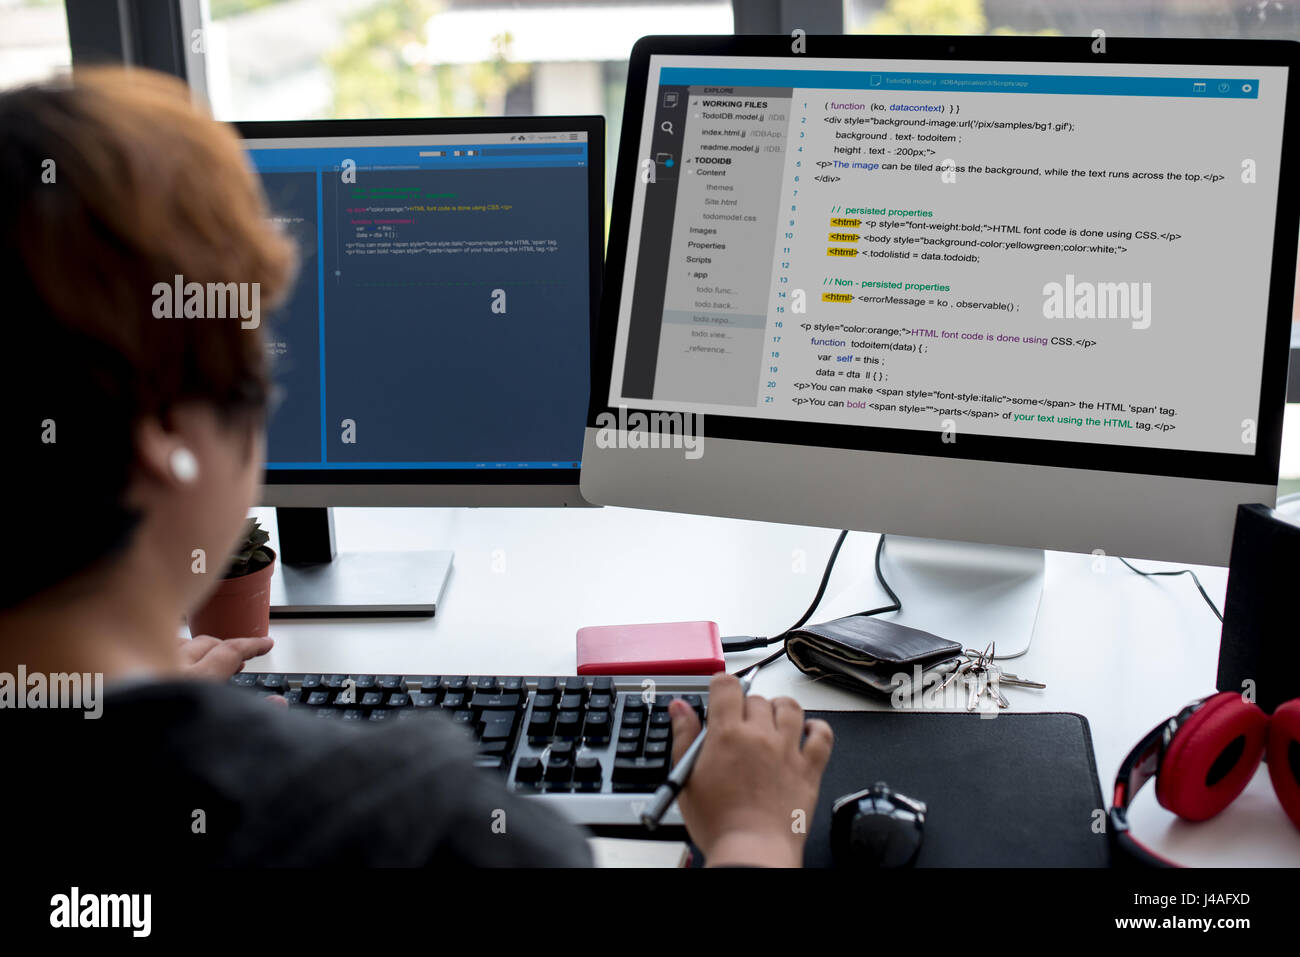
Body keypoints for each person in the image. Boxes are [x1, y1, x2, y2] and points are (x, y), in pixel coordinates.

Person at [0, 68, 833, 867]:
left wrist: (130, 688)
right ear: (170, 438)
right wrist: (754, 834)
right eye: (257, 371)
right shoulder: (418, 829)